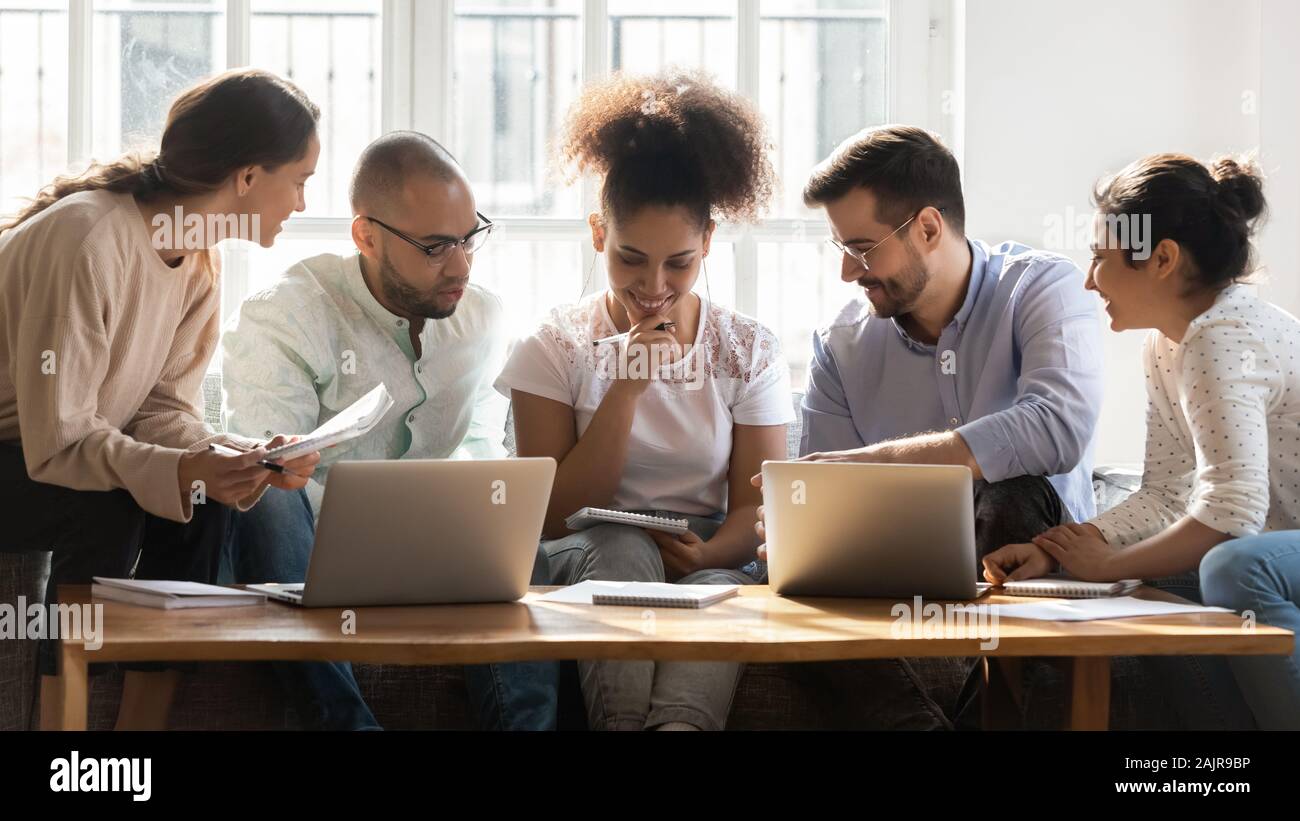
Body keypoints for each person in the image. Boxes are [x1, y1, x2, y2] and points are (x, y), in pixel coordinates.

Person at [0, 68, 322, 729]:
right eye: (300, 179)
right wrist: (180, 468)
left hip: (49, 455)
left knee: (209, 504)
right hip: (25, 454)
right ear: (248, 175)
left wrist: (230, 457)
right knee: (111, 505)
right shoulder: (89, 238)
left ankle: (135, 740)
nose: (300, 202)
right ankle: (64, 737)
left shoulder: (198, 257)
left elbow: (161, 409)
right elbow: (58, 439)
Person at [221, 131, 557, 731]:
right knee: (266, 494)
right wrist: (284, 467)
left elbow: (482, 448)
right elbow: (263, 467)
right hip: (312, 554)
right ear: (365, 235)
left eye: (468, 239)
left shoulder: (480, 317)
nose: (459, 266)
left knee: (513, 521)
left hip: (432, 549)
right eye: (434, 247)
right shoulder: (289, 313)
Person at [497, 70, 794, 731]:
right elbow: (550, 515)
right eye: (631, 258)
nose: (654, 285)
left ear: (708, 245)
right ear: (598, 232)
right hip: (583, 549)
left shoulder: (747, 349)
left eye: (679, 263)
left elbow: (758, 507)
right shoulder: (554, 346)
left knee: (723, 590)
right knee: (623, 547)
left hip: (707, 549)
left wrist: (713, 554)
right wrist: (627, 386)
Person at [984, 152, 1297, 730]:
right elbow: (1167, 492)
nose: (1087, 279)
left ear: (1162, 259)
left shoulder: (1223, 336)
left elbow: (1233, 513)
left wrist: (1112, 563)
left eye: (1099, 258)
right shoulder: (1168, 345)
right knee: (1123, 595)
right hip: (1277, 549)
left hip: (1267, 552)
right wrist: (1064, 554)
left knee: (1229, 566)